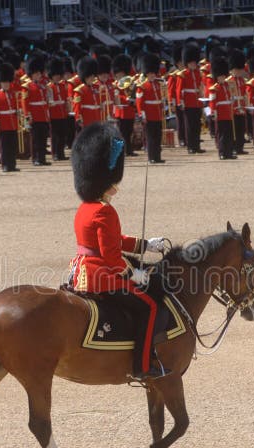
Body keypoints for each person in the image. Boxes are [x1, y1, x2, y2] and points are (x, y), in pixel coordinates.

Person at [68, 122, 169, 382]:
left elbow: (115, 240)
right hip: (101, 275)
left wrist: (146, 245)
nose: (116, 184)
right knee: (150, 307)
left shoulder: (86, 207)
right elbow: (111, 256)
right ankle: (143, 365)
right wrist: (134, 274)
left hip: (81, 269)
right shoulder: (104, 210)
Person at [21, 54, 51, 166]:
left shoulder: (43, 85)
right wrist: (28, 116)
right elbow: (25, 103)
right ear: (31, 74)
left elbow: (45, 101)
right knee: (35, 140)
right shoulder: (27, 87)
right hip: (34, 116)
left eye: (39, 73)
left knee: (43, 139)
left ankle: (42, 158)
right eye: (36, 73)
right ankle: (35, 159)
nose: (39, 75)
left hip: (43, 115)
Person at [136, 53, 166, 164]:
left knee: (158, 137)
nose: (152, 75)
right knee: (150, 137)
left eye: (153, 73)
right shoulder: (142, 87)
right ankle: (151, 157)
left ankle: (157, 157)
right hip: (149, 115)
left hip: (157, 114)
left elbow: (160, 99)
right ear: (146, 74)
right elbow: (140, 103)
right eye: (150, 73)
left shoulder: (158, 84)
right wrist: (142, 115)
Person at [176, 43, 205, 154]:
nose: (193, 64)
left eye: (194, 62)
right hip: (188, 103)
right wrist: (181, 102)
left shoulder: (198, 73)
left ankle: (197, 146)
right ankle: (191, 147)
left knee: (197, 125)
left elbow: (200, 87)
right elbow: (179, 90)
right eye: (191, 62)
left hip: (197, 102)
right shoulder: (182, 74)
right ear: (187, 63)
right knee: (189, 126)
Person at [0, 62, 19, 173]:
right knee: (4, 146)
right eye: (4, 82)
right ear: (0, 83)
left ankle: (12, 164)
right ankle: (5, 165)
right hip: (3, 124)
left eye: (7, 82)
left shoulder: (13, 94)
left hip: (12, 123)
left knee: (12, 145)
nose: (6, 84)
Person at [208, 56, 234, 160]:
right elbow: (212, 103)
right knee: (221, 134)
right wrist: (213, 113)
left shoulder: (228, 85)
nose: (222, 78)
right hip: (220, 114)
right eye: (220, 77)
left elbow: (230, 98)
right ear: (216, 76)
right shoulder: (214, 89)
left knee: (228, 134)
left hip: (228, 113)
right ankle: (222, 152)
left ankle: (229, 152)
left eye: (223, 76)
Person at [47, 56, 69, 161]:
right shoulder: (49, 87)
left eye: (58, 75)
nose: (57, 77)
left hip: (62, 113)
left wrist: (68, 111)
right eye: (55, 75)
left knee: (62, 135)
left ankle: (61, 153)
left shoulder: (62, 86)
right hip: (54, 114)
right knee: (55, 136)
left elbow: (65, 100)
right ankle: (55, 153)